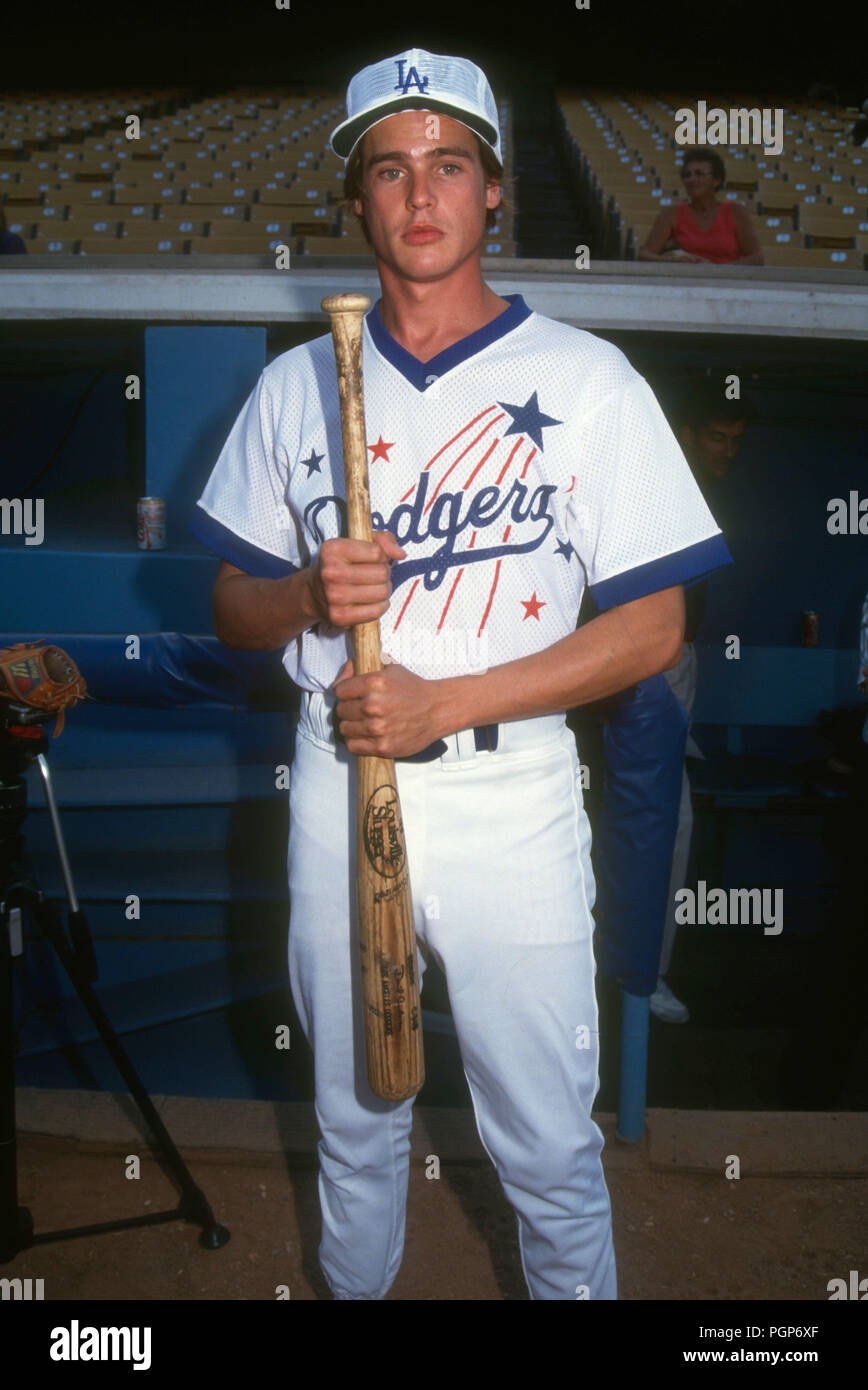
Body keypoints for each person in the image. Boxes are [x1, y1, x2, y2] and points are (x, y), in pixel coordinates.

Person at [189, 47, 731, 1300]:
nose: (419, 193)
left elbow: (652, 626)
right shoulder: (289, 390)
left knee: (545, 1144)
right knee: (355, 1126)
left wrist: (449, 701)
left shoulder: (589, 381)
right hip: (339, 781)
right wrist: (306, 595)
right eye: (390, 169)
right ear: (359, 201)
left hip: (512, 793)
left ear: (495, 193)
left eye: (449, 166)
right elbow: (229, 606)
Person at [651, 378, 755, 1022]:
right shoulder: (655, 484)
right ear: (686, 435)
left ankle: (643, 977)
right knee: (650, 827)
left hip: (676, 666)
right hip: (632, 672)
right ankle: (631, 979)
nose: (727, 451)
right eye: (717, 437)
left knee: (671, 828)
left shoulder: (698, 492)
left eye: (737, 440)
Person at [638, 148, 764, 265]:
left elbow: (757, 258)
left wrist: (717, 270)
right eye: (687, 175)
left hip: (727, 283)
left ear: (716, 180)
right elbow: (644, 255)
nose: (691, 179)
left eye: (699, 174)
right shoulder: (671, 213)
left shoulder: (736, 211)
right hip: (686, 281)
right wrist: (670, 261)